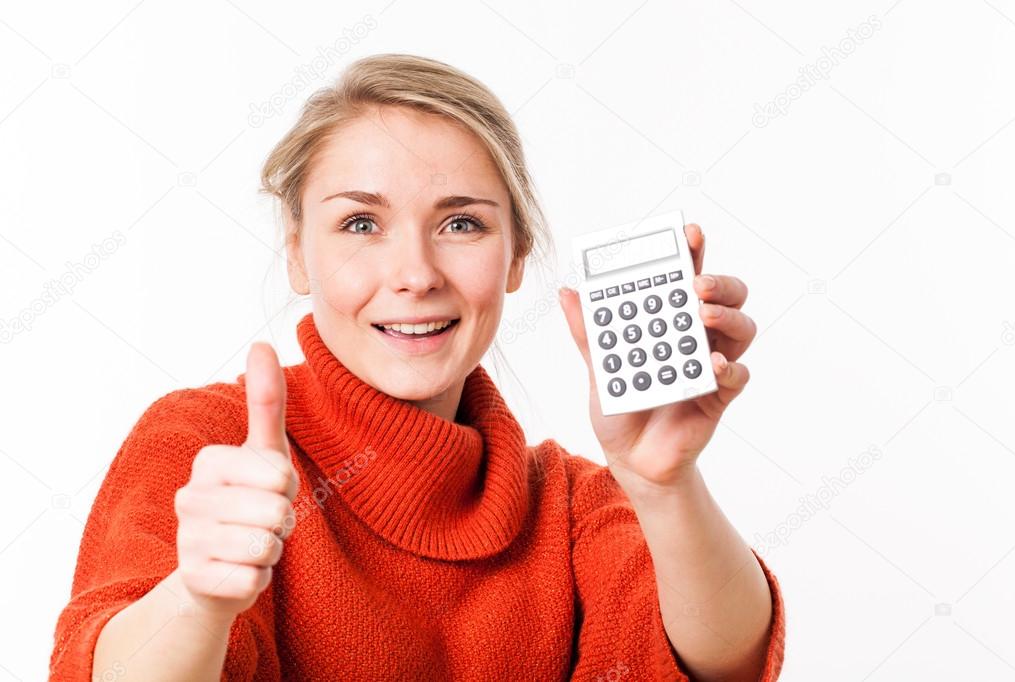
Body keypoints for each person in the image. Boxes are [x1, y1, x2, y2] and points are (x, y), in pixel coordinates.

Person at [49, 53, 785, 681]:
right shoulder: (207, 445)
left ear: (517, 256)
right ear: (298, 252)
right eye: (360, 223)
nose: (415, 274)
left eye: (461, 223)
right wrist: (196, 600)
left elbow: (721, 664)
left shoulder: (569, 503)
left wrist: (664, 487)